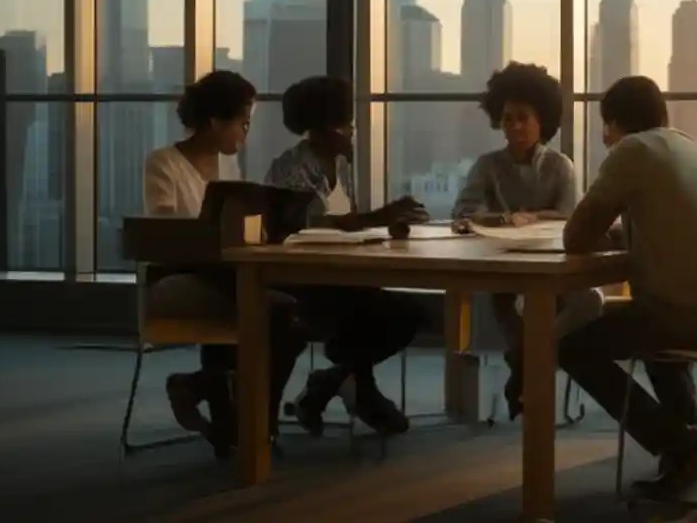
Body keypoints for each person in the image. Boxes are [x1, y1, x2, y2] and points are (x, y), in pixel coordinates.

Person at [560, 76, 697, 496]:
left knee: (572, 348)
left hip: (691, 315)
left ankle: (677, 442)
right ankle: (686, 440)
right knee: (650, 325)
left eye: (605, 127)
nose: (604, 136)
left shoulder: (633, 150)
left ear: (612, 124)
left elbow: (575, 237)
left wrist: (601, 231)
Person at [143, 70, 306, 458]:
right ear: (215, 122)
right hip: (184, 270)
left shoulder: (228, 168)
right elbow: (164, 225)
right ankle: (249, 421)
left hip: (228, 267)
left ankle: (223, 402)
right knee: (275, 313)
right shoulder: (164, 163)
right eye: (243, 123)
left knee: (284, 315)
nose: (245, 134)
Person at [265, 75, 429, 436]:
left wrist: (386, 222)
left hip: (337, 275)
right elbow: (313, 228)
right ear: (322, 128)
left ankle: (333, 380)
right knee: (376, 312)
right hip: (301, 282)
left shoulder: (337, 166)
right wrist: (380, 217)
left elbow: (347, 224)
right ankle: (354, 387)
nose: (352, 129)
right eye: (344, 123)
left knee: (409, 314)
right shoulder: (293, 168)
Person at [451, 62, 603, 420]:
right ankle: (532, 360)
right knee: (503, 301)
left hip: (551, 265)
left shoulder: (560, 166)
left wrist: (530, 217)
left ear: (542, 121)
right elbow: (462, 212)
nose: (514, 127)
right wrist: (504, 219)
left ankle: (525, 358)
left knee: (591, 301)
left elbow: (570, 214)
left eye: (522, 118)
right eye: (507, 119)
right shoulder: (488, 165)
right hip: (503, 264)